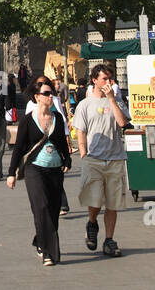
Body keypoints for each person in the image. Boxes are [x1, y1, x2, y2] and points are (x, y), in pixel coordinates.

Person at [7, 77, 72, 266]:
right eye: (46, 93)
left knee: (52, 210)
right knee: (41, 207)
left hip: (54, 168)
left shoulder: (57, 118)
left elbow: (61, 142)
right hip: (34, 168)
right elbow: (19, 147)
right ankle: (49, 252)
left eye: (52, 93)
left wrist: (67, 160)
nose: (50, 96)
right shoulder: (28, 120)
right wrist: (11, 173)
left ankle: (40, 240)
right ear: (37, 97)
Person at [73, 63, 129, 258]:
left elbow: (123, 123)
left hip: (115, 158)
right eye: (104, 79)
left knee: (113, 203)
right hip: (94, 159)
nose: (108, 82)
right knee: (95, 198)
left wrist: (112, 99)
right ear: (94, 80)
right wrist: (83, 152)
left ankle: (109, 239)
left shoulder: (118, 101)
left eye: (110, 79)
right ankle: (92, 222)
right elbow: (81, 130)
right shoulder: (85, 104)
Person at [26, 74, 72, 214]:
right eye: (40, 86)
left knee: (56, 173)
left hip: (55, 142)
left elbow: (62, 120)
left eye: (46, 86)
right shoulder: (30, 105)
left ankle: (62, 204)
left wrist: (67, 139)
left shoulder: (55, 101)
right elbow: (27, 125)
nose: (47, 94)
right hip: (38, 147)